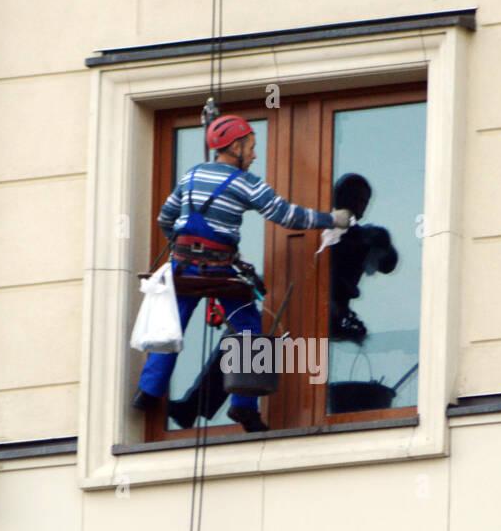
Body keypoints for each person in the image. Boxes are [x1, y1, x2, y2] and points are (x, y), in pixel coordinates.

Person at [133, 114, 350, 432]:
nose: (254, 154)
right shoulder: (245, 183)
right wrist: (331, 220)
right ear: (235, 146)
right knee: (249, 327)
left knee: (170, 329)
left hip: (183, 268)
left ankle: (147, 394)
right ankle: (245, 406)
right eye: (251, 147)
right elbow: (286, 215)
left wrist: (184, 245)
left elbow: (166, 217)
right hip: (220, 270)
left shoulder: (190, 176)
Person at [328, 173, 399, 344]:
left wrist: (381, 242)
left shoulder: (365, 237)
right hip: (316, 313)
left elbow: (388, 264)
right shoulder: (318, 230)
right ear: (338, 198)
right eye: (354, 198)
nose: (358, 205)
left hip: (336, 318)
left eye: (363, 201)